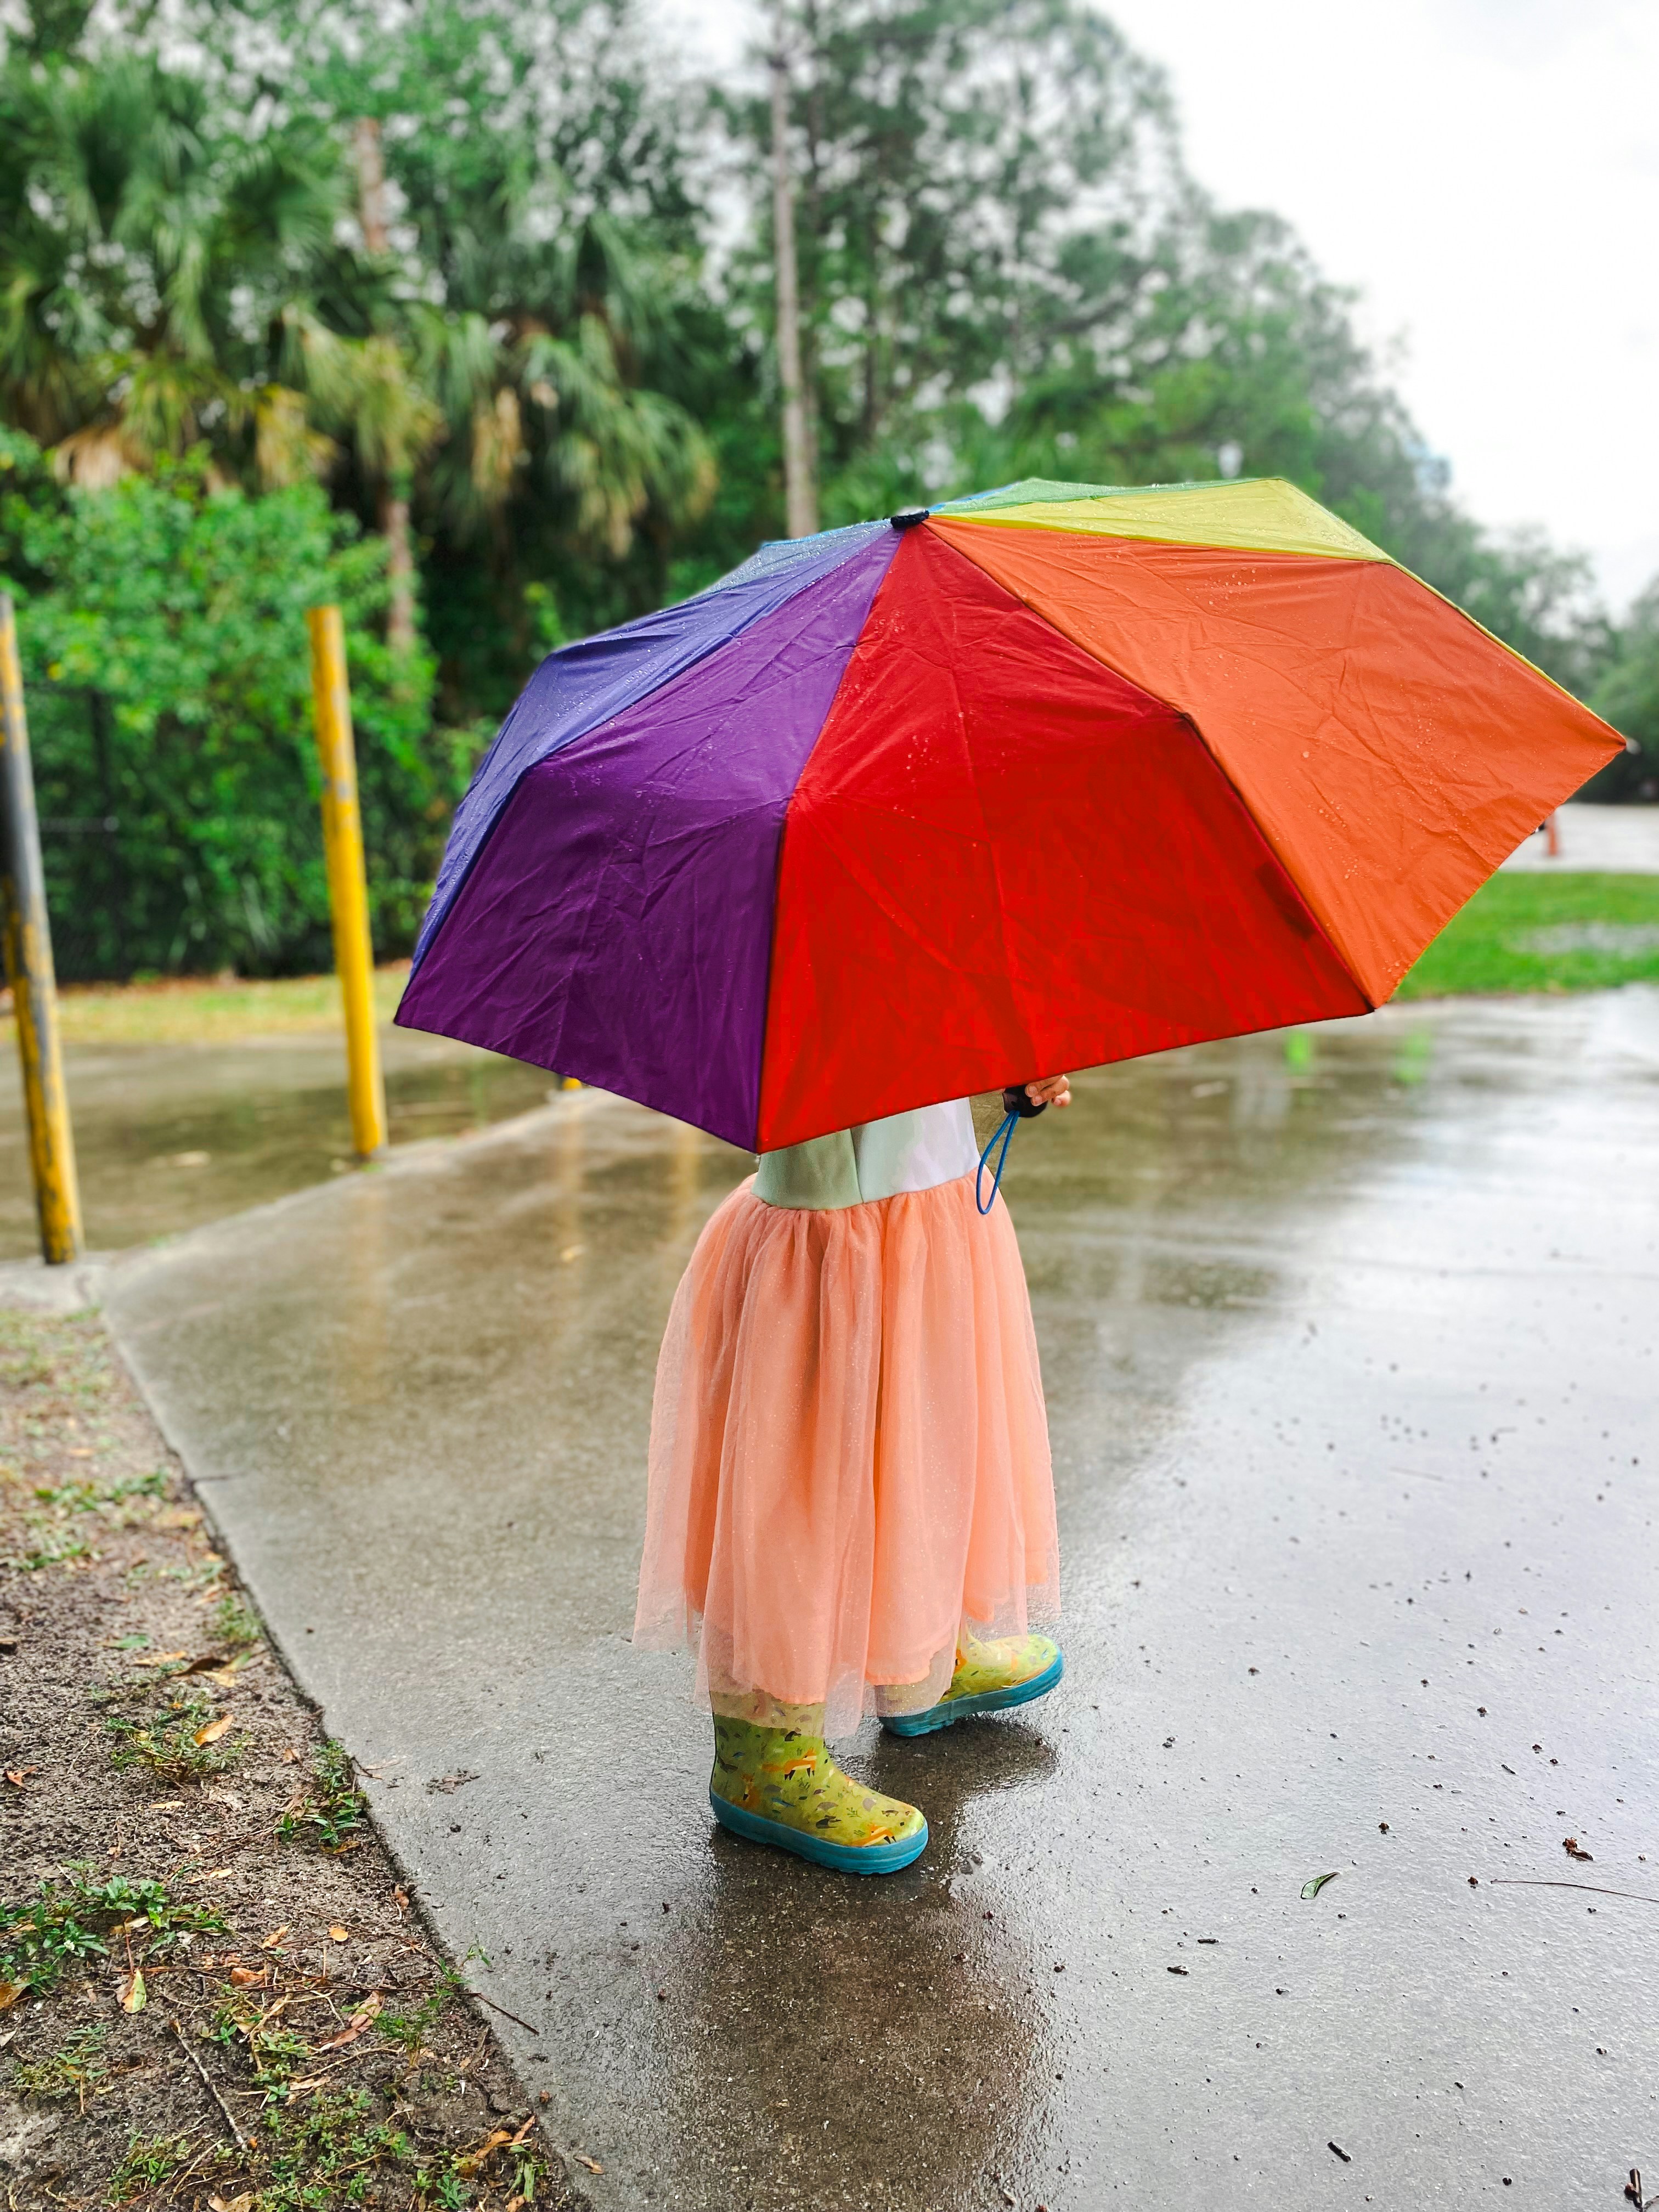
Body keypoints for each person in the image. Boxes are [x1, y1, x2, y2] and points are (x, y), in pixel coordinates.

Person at [633, 1077, 1070, 1875]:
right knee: (801, 1485)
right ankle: (765, 1753)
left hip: (929, 1206)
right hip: (830, 1219)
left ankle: (922, 1652)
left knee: (926, 1437)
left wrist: (1006, 1068)